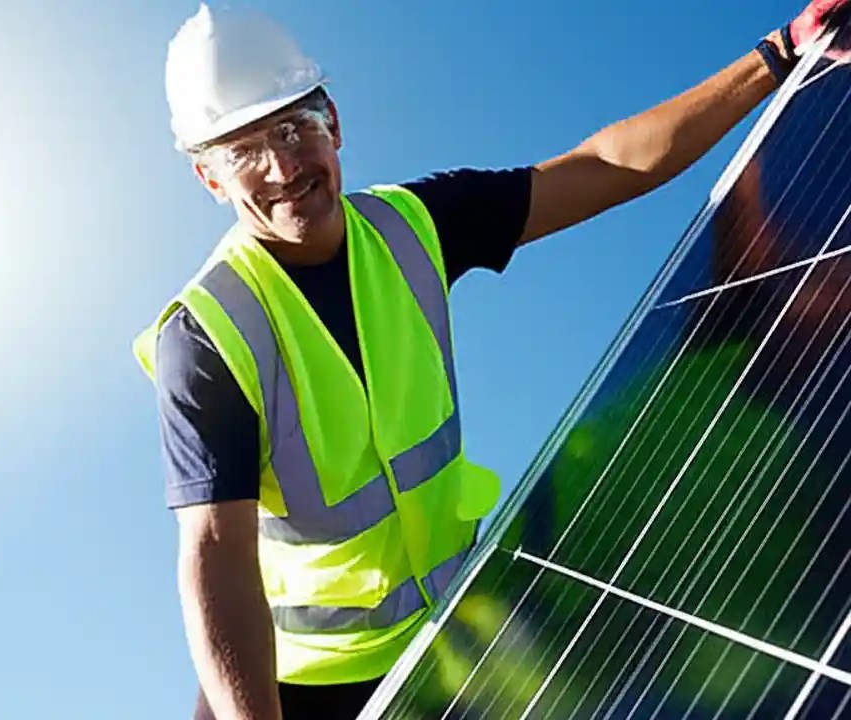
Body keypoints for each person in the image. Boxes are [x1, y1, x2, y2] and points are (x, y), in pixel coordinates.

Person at [130, 3, 851, 719]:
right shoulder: (205, 337)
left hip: (459, 630)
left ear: (335, 125)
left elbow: (603, 167)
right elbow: (216, 553)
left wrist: (781, 52)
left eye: (293, 128)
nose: (283, 167)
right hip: (312, 685)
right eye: (243, 151)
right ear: (212, 180)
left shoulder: (415, 227)